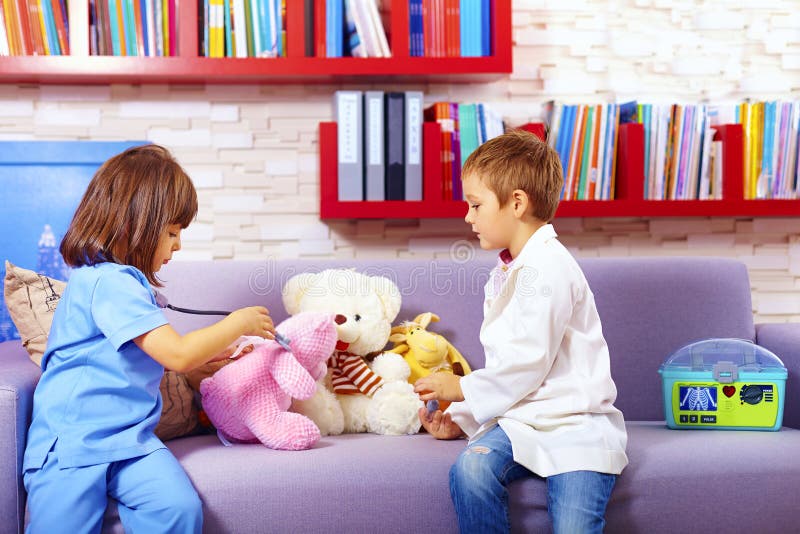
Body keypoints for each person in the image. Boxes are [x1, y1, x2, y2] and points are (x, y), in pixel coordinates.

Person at [23, 145, 275, 533]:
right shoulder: (107, 281)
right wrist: (237, 322)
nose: (178, 245)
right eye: (172, 232)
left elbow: (150, 358)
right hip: (74, 443)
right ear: (132, 225)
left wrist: (207, 360)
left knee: (178, 509)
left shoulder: (128, 286)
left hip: (131, 441)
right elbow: (176, 354)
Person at [414, 130, 628, 534]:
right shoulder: (506, 272)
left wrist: (459, 390)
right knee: (472, 469)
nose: (468, 216)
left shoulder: (549, 268)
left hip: (576, 423)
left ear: (516, 203)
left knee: (575, 526)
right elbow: (507, 371)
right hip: (522, 420)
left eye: (476, 205)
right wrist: (459, 419)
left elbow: (526, 364)